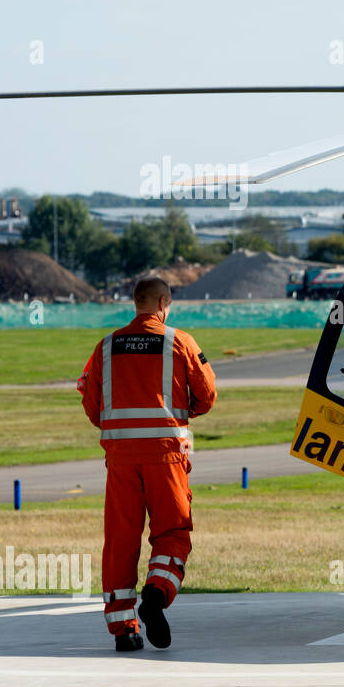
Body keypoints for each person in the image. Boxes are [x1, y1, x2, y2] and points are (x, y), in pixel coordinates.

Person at [79, 278, 216, 651]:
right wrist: (182, 413)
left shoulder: (106, 346)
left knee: (121, 541)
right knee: (172, 531)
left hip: (121, 459)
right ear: (163, 301)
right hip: (167, 455)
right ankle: (156, 594)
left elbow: (92, 406)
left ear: (135, 302)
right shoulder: (179, 341)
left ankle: (124, 629)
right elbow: (207, 395)